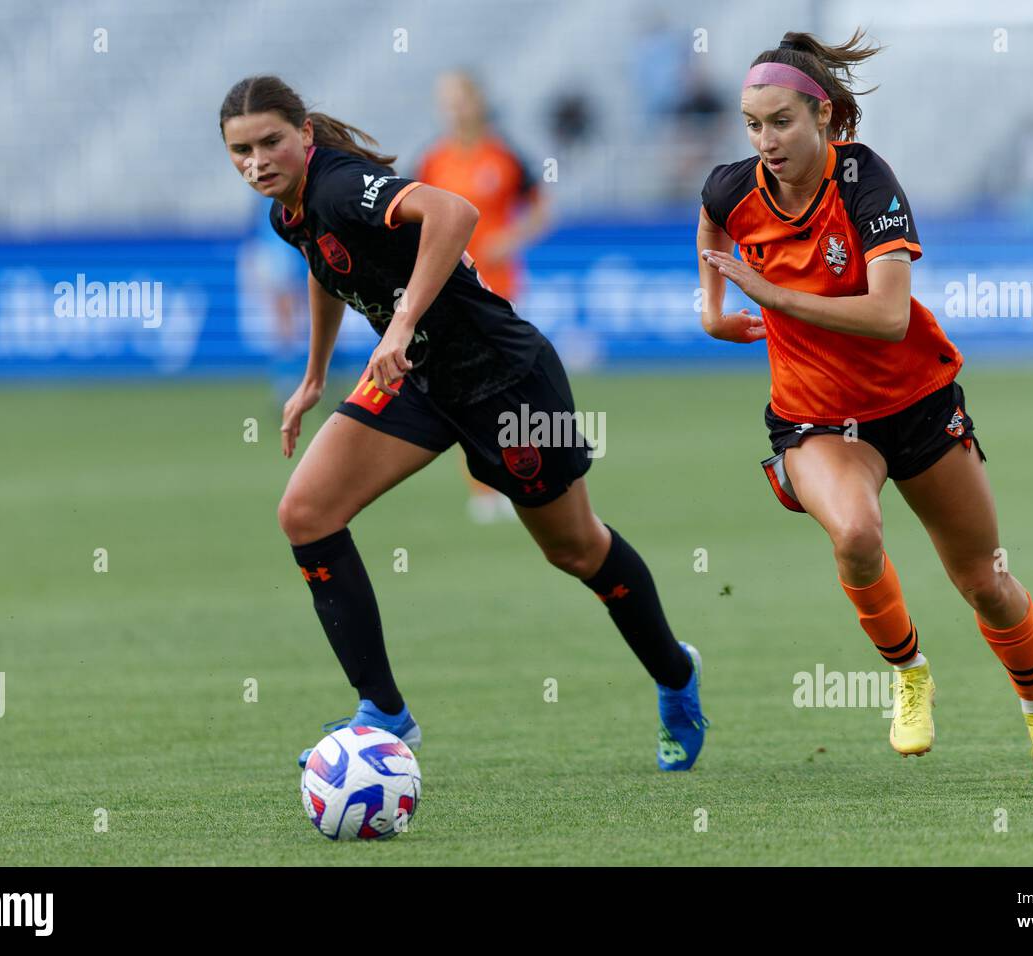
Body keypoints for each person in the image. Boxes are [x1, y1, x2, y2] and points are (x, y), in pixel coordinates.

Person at [219, 75, 707, 771]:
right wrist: (314, 375)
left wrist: (404, 322)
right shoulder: (290, 210)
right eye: (241, 150)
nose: (257, 160)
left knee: (575, 549)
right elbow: (325, 269)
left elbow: (454, 212)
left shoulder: (336, 184)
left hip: (508, 381)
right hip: (418, 379)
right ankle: (384, 711)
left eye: (270, 141)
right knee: (306, 512)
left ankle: (674, 673)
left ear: (303, 135)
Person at [697, 31, 1033, 779]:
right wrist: (713, 310)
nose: (765, 140)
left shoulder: (867, 185)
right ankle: (909, 673)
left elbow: (888, 317)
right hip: (814, 414)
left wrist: (772, 295)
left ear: (825, 119)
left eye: (781, 123)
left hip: (916, 403)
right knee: (855, 534)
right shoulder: (732, 186)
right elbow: (713, 219)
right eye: (753, 123)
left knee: (985, 583)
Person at [414, 70, 552, 523]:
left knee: (509, 387)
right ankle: (483, 486)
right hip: (450, 288)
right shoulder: (434, 161)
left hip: (500, 287)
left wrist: (512, 238)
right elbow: (411, 214)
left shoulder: (504, 155)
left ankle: (520, 480)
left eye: (460, 98)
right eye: (446, 100)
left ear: (478, 101)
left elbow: (543, 207)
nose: (454, 108)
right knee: (464, 389)